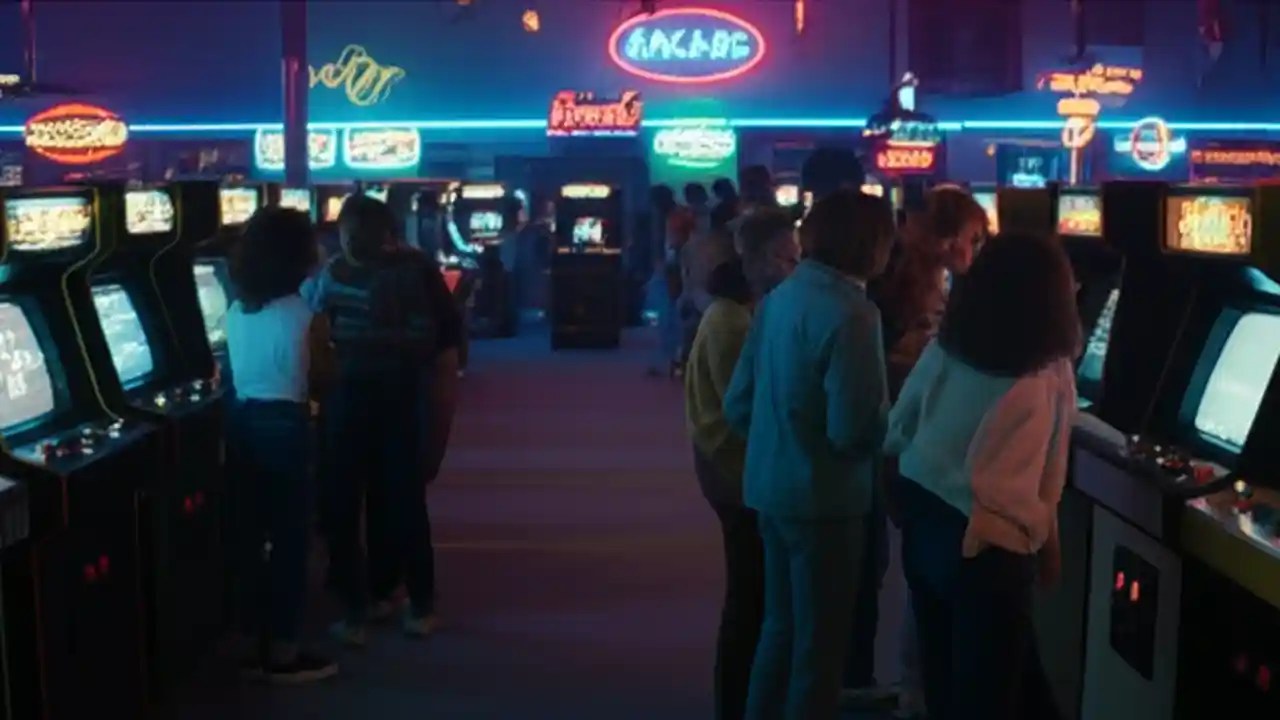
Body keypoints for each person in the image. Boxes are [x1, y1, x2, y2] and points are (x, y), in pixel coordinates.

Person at [884, 232, 1077, 720]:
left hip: (925, 523)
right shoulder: (1048, 374)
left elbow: (897, 428)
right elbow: (1048, 480)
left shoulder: (947, 347)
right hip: (988, 544)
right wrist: (1048, 547)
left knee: (948, 683)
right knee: (988, 696)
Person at [725, 190, 895, 719]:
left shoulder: (780, 297)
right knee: (820, 652)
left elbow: (738, 404)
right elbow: (853, 431)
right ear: (872, 245)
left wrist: (786, 434)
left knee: (780, 629)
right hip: (826, 501)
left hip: (769, 489)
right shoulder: (855, 314)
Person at [844, 185, 989, 716]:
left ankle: (894, 684)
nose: (975, 252)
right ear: (949, 241)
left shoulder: (913, 277)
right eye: (973, 239)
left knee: (899, 566)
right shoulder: (915, 286)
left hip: (893, 442)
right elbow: (903, 369)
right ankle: (898, 688)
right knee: (901, 566)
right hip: (897, 442)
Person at [305, 195, 463, 644]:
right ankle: (393, 601)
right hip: (379, 393)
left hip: (372, 395)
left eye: (356, 233)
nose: (351, 240)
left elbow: (311, 321)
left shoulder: (362, 272)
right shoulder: (397, 270)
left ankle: (382, 603)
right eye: (347, 232)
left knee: (372, 502)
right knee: (380, 501)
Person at [684, 210, 800, 720]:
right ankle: (736, 703)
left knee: (754, 597)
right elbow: (748, 410)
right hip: (737, 474)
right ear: (755, 260)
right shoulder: (733, 320)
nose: (795, 267)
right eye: (786, 256)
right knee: (751, 600)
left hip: (730, 467)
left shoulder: (738, 311)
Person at [224, 206, 336, 683]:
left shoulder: (234, 308)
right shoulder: (306, 317)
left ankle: (251, 643)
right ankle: (285, 652)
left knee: (249, 538)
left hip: (241, 421)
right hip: (287, 425)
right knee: (291, 542)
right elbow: (327, 381)